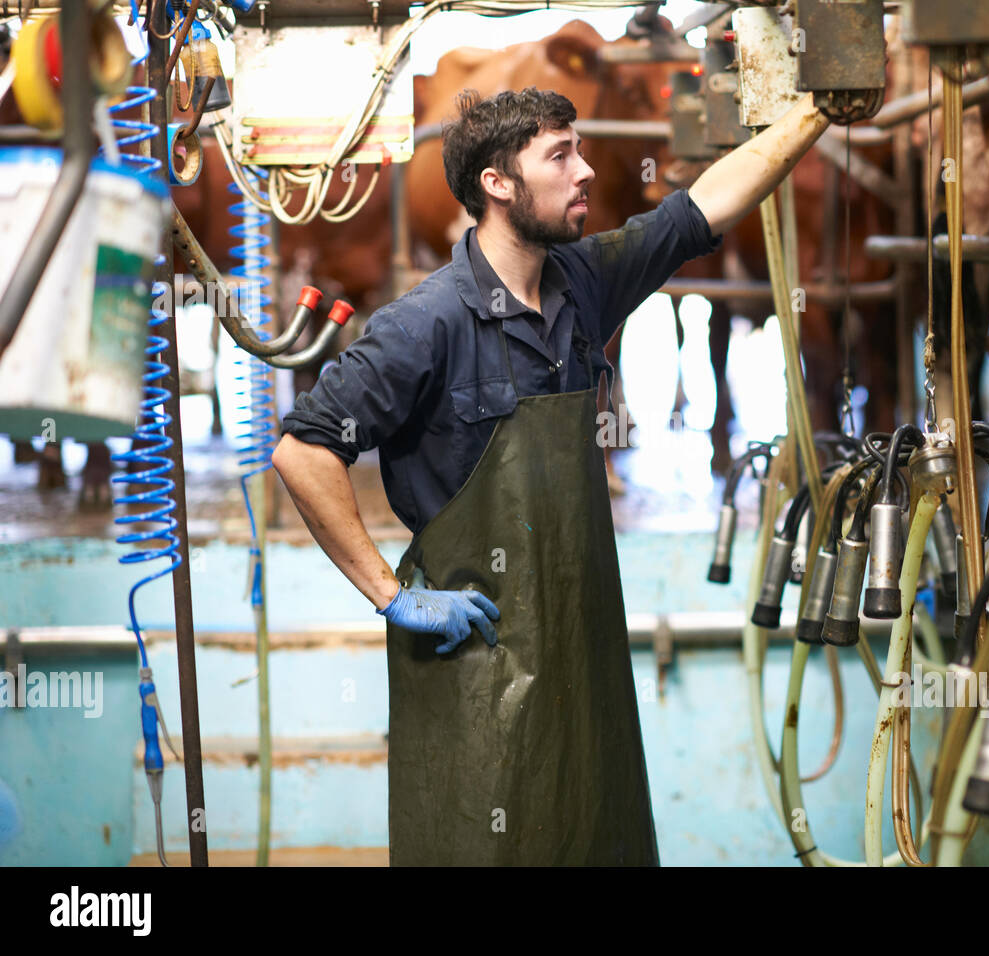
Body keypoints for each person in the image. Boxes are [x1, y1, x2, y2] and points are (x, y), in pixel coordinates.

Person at [272, 84, 833, 865]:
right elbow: (303, 451)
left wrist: (816, 110)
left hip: (581, 651)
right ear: (498, 185)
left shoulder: (585, 281)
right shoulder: (421, 326)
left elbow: (700, 209)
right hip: (472, 667)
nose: (586, 173)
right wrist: (392, 595)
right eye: (559, 156)